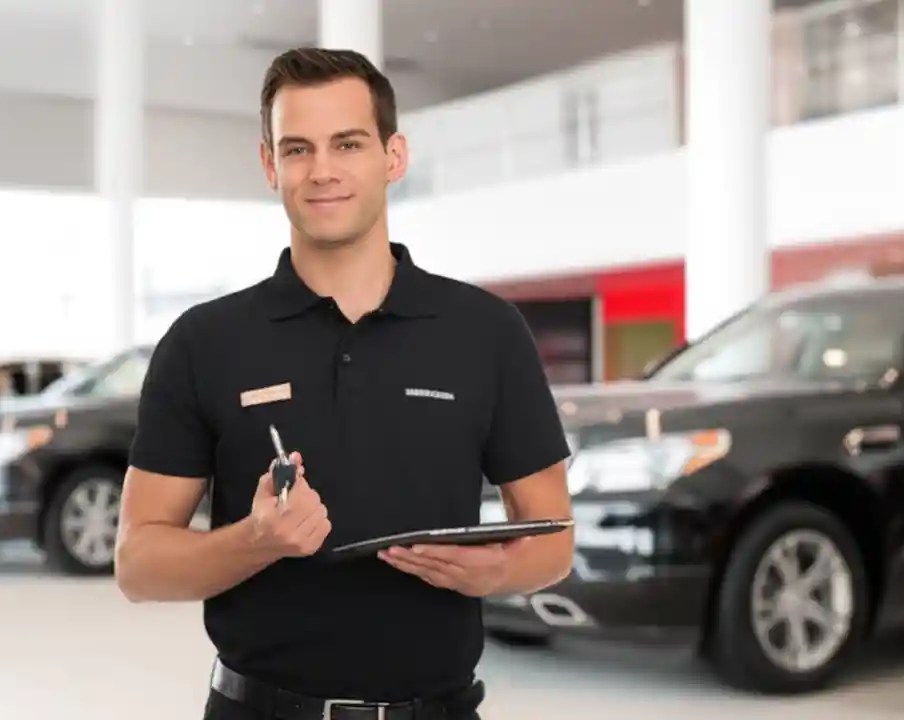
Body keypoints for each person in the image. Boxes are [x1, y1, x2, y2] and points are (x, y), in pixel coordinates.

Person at [115, 47, 574, 720]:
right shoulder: (204, 342)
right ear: (270, 165)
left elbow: (555, 540)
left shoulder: (486, 332)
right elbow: (138, 562)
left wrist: (499, 571)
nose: (322, 171)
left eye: (348, 144)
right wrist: (256, 539)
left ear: (393, 156)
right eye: (297, 149)